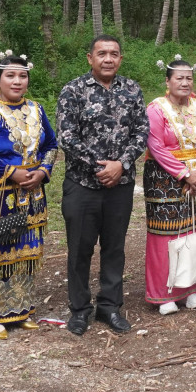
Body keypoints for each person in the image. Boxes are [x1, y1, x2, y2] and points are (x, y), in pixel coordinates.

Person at [56, 35, 148, 336]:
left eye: (114, 54)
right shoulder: (73, 90)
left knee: (114, 248)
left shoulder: (132, 90)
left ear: (120, 59)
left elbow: (141, 133)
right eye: (102, 54)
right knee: (79, 249)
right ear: (90, 58)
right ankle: (80, 309)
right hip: (82, 185)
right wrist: (100, 166)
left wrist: (120, 164)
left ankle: (109, 306)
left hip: (119, 185)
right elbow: (66, 137)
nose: (108, 59)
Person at [0, 51, 57, 339]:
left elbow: (51, 145)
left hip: (32, 194)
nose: (17, 81)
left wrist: (42, 172)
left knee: (24, 251)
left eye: (22, 75)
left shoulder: (37, 108)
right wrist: (12, 173)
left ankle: (21, 310)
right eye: (10, 75)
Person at [144, 56, 196, 315]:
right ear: (168, 81)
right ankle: (165, 293)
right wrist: (183, 173)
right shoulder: (156, 109)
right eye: (179, 78)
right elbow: (155, 145)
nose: (185, 83)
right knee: (166, 234)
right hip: (164, 177)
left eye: (189, 78)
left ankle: (193, 288)